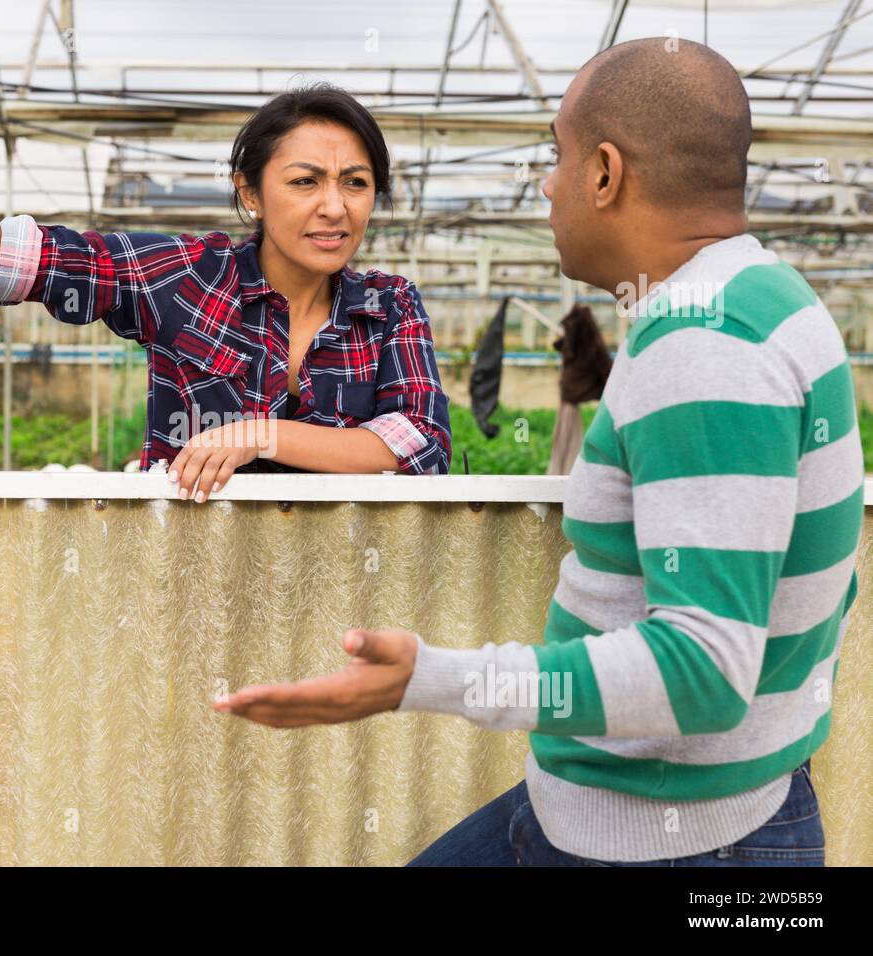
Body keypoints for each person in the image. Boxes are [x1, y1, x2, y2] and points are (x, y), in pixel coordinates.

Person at [213, 37, 864, 866]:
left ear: (604, 173)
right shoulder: (768, 296)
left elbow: (702, 669)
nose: (548, 184)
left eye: (556, 157)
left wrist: (427, 679)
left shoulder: (703, 347)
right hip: (643, 805)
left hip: (669, 842)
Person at [0, 78, 452, 501]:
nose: (334, 207)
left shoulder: (387, 305)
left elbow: (419, 444)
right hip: (188, 581)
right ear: (251, 193)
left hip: (343, 596)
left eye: (355, 183)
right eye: (305, 181)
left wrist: (260, 435)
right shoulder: (186, 275)